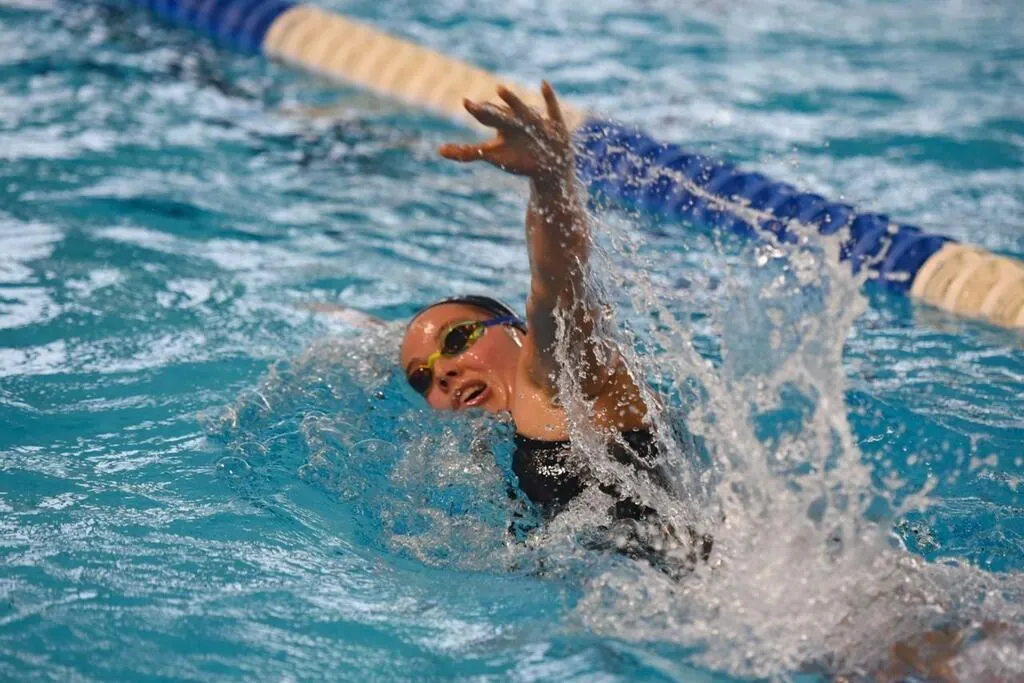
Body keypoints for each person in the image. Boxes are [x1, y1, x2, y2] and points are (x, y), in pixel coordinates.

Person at [398, 82, 711, 567]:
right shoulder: (509, 440)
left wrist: (550, 181)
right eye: (422, 378)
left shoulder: (558, 383)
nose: (442, 373)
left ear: (518, 332)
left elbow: (557, 289)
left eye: (457, 339)